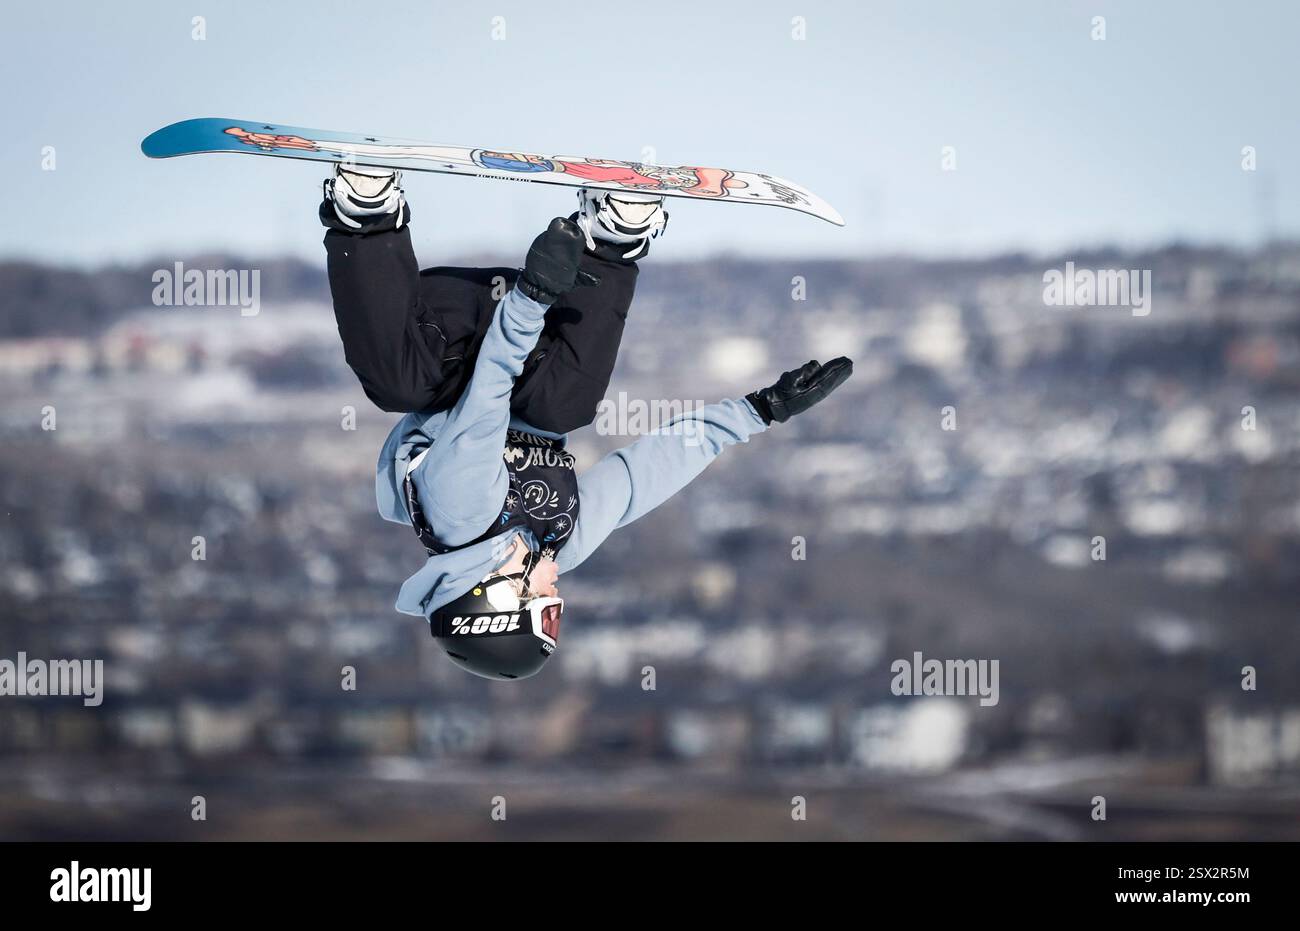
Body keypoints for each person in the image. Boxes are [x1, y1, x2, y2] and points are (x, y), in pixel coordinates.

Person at [324, 166, 853, 680]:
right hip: (537, 315)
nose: (557, 591)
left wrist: (530, 299)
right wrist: (759, 411)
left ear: (496, 598)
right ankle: (614, 238)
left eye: (546, 605)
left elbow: (485, 398)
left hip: (455, 331)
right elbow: (638, 479)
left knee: (398, 384)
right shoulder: (559, 540)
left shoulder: (459, 513)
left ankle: (366, 217)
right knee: (564, 409)